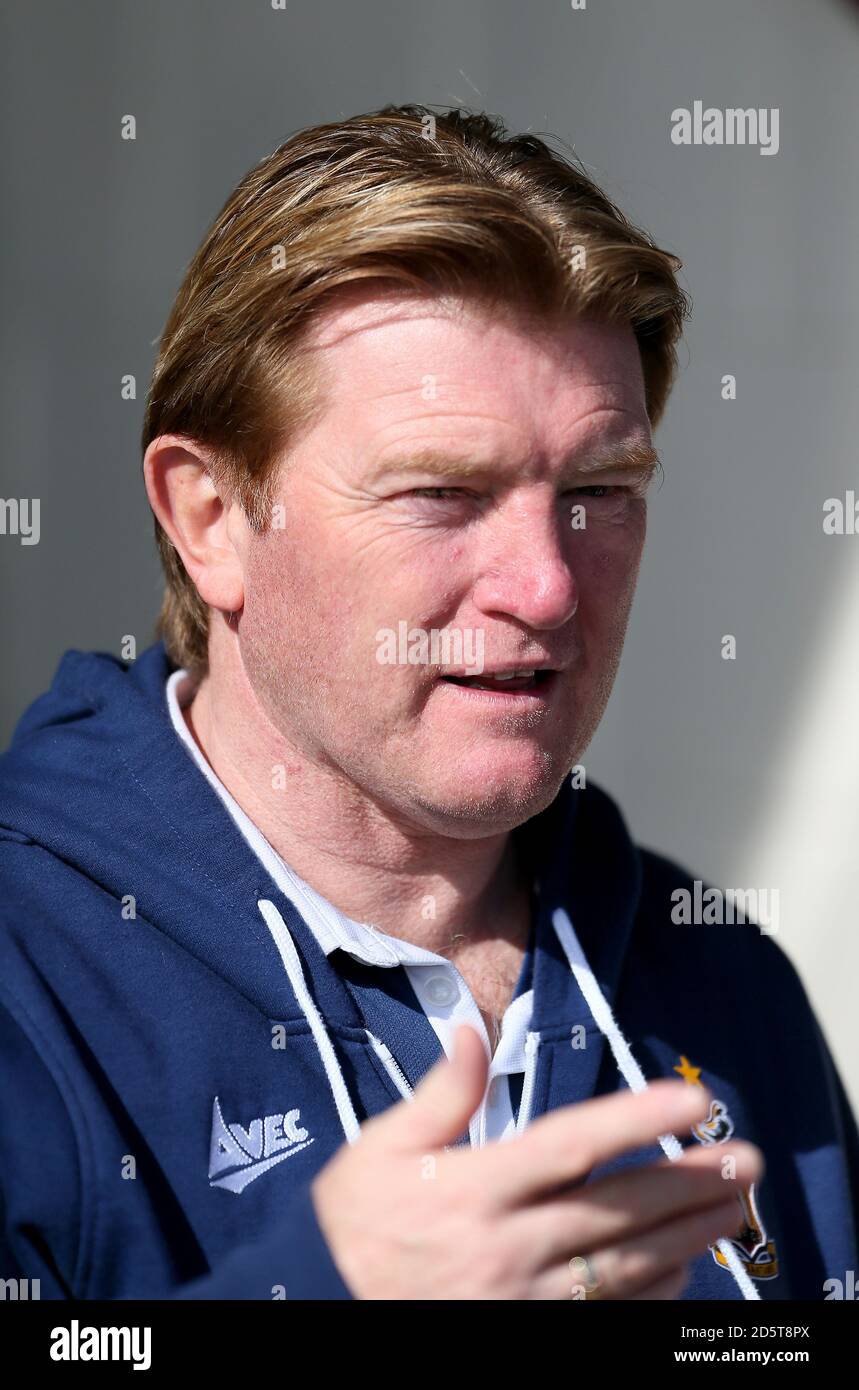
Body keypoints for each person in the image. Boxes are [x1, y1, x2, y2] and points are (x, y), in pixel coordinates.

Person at [0, 105, 856, 1302]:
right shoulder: (27, 980)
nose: (548, 584)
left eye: (600, 488)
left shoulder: (723, 982)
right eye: (442, 492)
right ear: (209, 522)